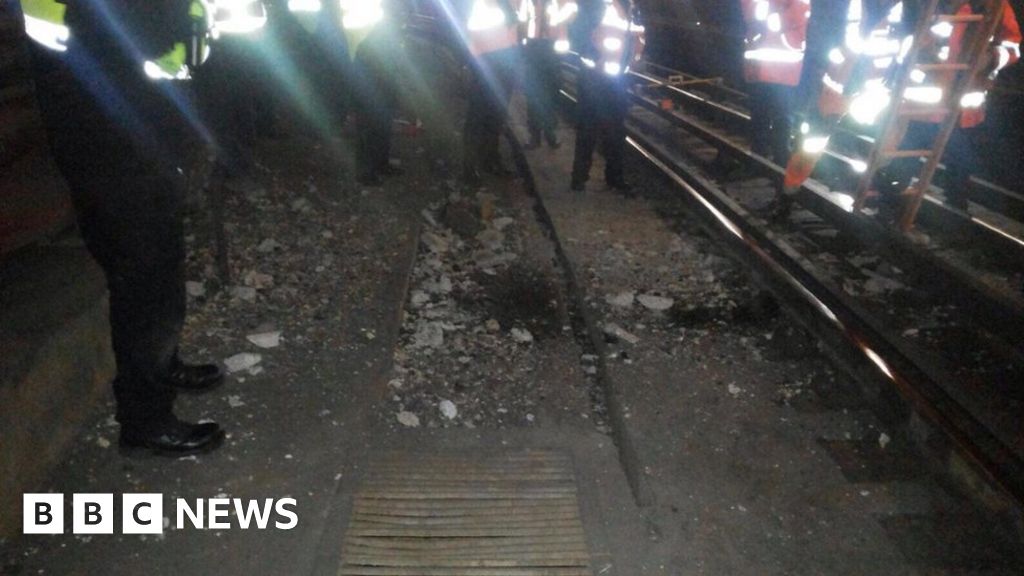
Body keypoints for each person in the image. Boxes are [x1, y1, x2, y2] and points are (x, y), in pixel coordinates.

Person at [21, 0, 226, 455]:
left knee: (159, 265)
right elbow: (119, 35)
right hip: (110, 135)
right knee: (144, 277)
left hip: (137, 124)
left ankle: (162, 366)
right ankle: (146, 419)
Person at [884, 0, 1020, 210]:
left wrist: (991, 58)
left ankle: (954, 210)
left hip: (964, 101)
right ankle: (890, 204)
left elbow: (1013, 46)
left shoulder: (995, 5)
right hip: (928, 97)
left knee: (961, 159)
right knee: (910, 151)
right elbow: (901, 29)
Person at [569, 0, 644, 193]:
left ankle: (614, 178)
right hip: (594, 77)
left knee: (616, 131)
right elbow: (579, 34)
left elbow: (638, 38)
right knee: (588, 128)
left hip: (617, 78)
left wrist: (632, 65)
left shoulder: (631, 8)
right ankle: (579, 178)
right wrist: (594, 59)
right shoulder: (594, 5)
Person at [740, 0, 809, 166]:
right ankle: (768, 157)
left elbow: (796, 15)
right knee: (768, 115)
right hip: (766, 66)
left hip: (779, 67)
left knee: (776, 116)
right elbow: (751, 14)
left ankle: (775, 158)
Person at [461, 0, 522, 186]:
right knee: (478, 117)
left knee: (496, 116)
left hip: (505, 63)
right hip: (487, 64)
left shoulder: (508, 3)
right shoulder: (483, 4)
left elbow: (512, 31)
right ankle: (469, 169)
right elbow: (473, 35)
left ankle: (490, 160)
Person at [351, 0, 410, 185]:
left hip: (382, 85)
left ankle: (380, 163)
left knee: (382, 126)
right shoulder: (377, 35)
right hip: (370, 85)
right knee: (369, 128)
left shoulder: (388, 34)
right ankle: (365, 172)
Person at [521, 0, 577, 149]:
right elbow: (521, 20)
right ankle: (535, 135)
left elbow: (572, 15)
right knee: (533, 94)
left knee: (552, 94)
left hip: (551, 48)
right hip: (533, 47)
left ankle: (550, 131)